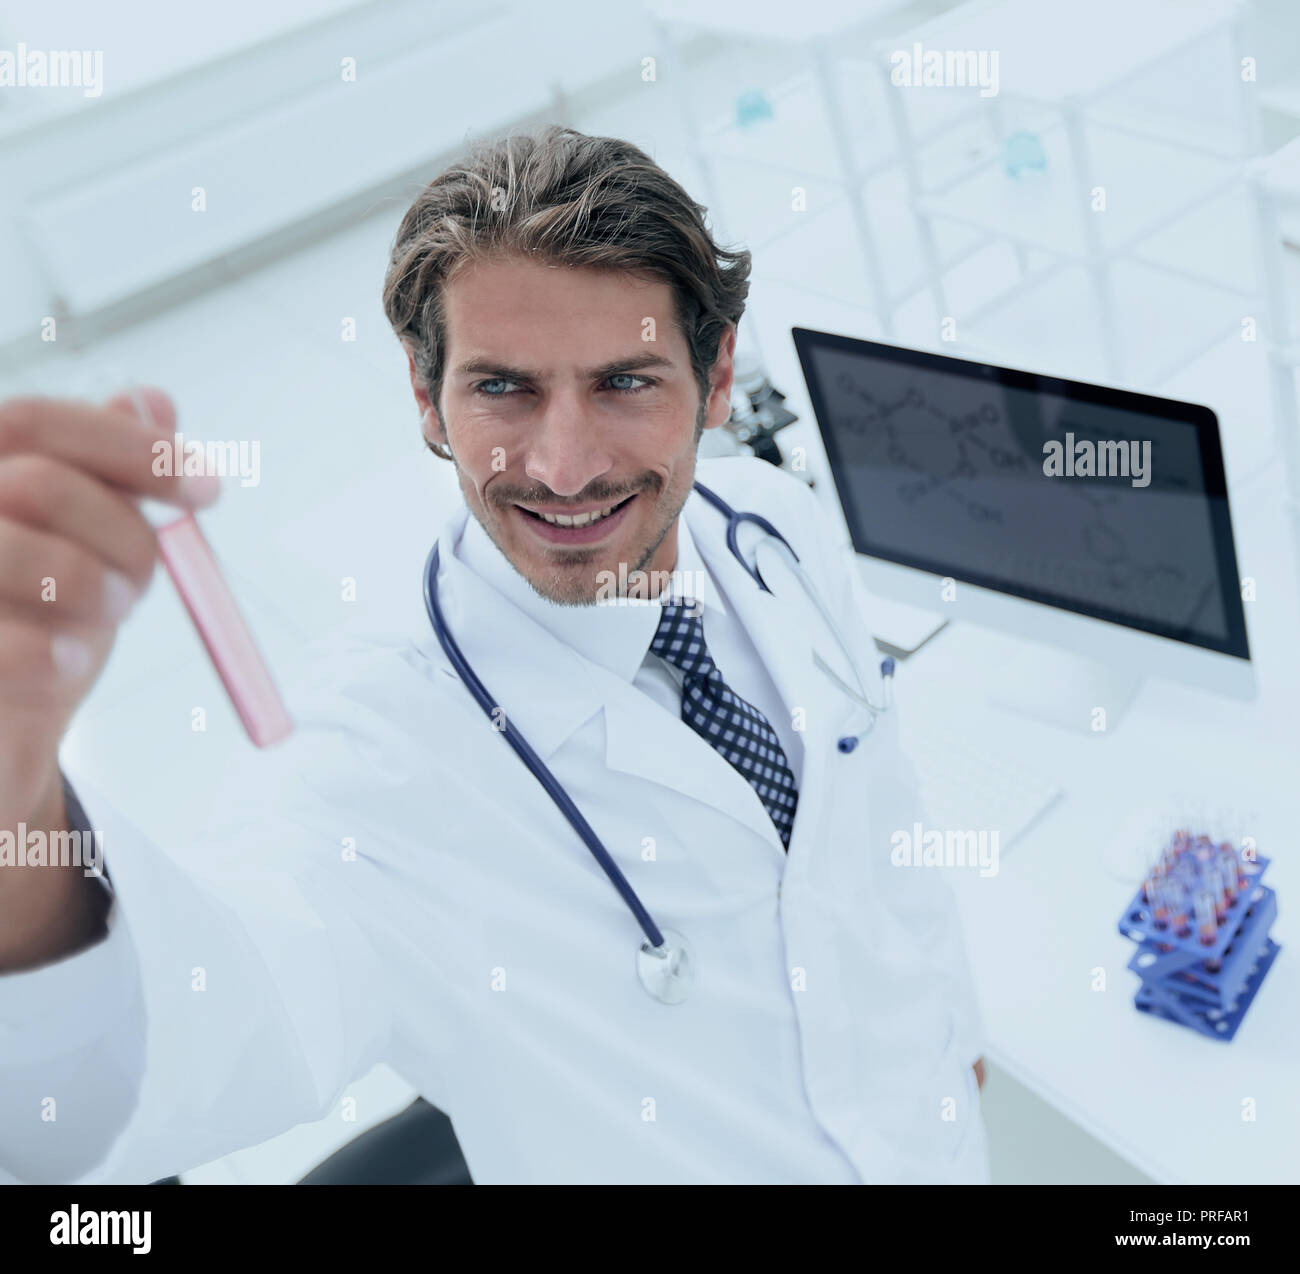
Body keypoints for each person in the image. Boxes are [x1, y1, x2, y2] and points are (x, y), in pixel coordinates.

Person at [0, 125, 988, 1185]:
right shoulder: (374, 760)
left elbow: (879, 818)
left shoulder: (771, 523)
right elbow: (172, 1051)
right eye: (502, 388)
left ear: (715, 379)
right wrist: (15, 803)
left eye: (624, 381)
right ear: (427, 398)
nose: (564, 466)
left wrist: (948, 1029)